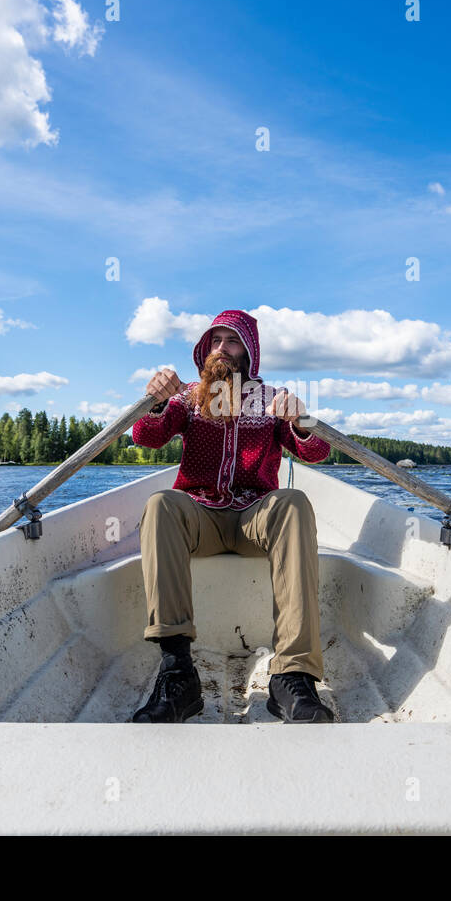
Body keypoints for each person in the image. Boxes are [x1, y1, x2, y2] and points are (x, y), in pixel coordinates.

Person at [128, 309, 335, 724]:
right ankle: (177, 674)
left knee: (292, 503)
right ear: (205, 350)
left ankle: (292, 675)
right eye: (215, 341)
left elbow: (317, 452)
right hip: (200, 514)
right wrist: (154, 402)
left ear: (250, 352)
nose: (222, 349)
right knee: (160, 505)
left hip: (252, 517)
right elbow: (146, 436)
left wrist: (302, 421)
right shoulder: (188, 397)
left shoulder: (271, 398)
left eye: (232, 340)